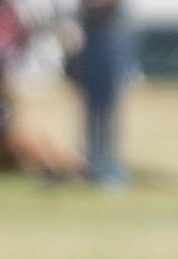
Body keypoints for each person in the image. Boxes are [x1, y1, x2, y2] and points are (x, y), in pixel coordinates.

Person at [0, 60, 82, 178]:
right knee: (13, 138)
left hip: (6, 151)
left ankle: (70, 165)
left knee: (35, 135)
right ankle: (51, 167)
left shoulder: (1, 104)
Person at [70, 0, 132, 185]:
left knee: (107, 109)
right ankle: (91, 160)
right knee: (91, 109)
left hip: (107, 44)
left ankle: (106, 161)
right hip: (92, 46)